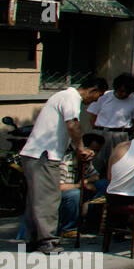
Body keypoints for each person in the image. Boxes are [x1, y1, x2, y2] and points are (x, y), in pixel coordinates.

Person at [20, 75, 106, 254]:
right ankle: (47, 241)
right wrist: (81, 148)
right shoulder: (71, 97)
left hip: (38, 155)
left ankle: (30, 240)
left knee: (36, 200)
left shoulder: (63, 96)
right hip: (43, 156)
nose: (94, 101)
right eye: (96, 97)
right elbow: (73, 124)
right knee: (49, 199)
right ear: (93, 90)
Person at [87, 73, 134, 171]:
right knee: (96, 163)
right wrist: (97, 129)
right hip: (101, 132)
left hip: (121, 135)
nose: (122, 94)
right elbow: (92, 115)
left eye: (126, 92)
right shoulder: (104, 96)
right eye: (120, 91)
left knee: (117, 164)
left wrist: (126, 133)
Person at [57, 133, 105, 238]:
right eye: (92, 150)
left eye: (97, 151)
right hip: (64, 196)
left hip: (79, 190)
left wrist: (86, 181)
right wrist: (80, 185)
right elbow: (60, 187)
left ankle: (91, 223)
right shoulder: (66, 162)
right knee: (74, 194)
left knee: (103, 184)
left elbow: (96, 176)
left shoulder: (86, 161)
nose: (94, 154)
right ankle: (69, 229)